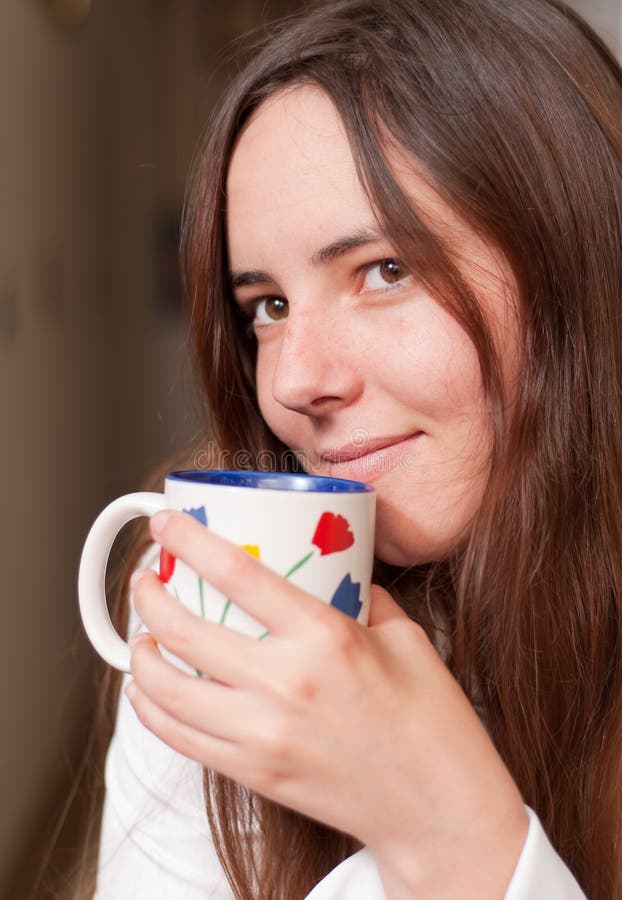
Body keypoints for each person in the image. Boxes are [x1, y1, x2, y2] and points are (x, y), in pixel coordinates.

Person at [88, 0, 622, 897]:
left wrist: (456, 838)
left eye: (385, 270)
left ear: (574, 260)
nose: (294, 382)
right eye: (268, 305)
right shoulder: (226, 595)